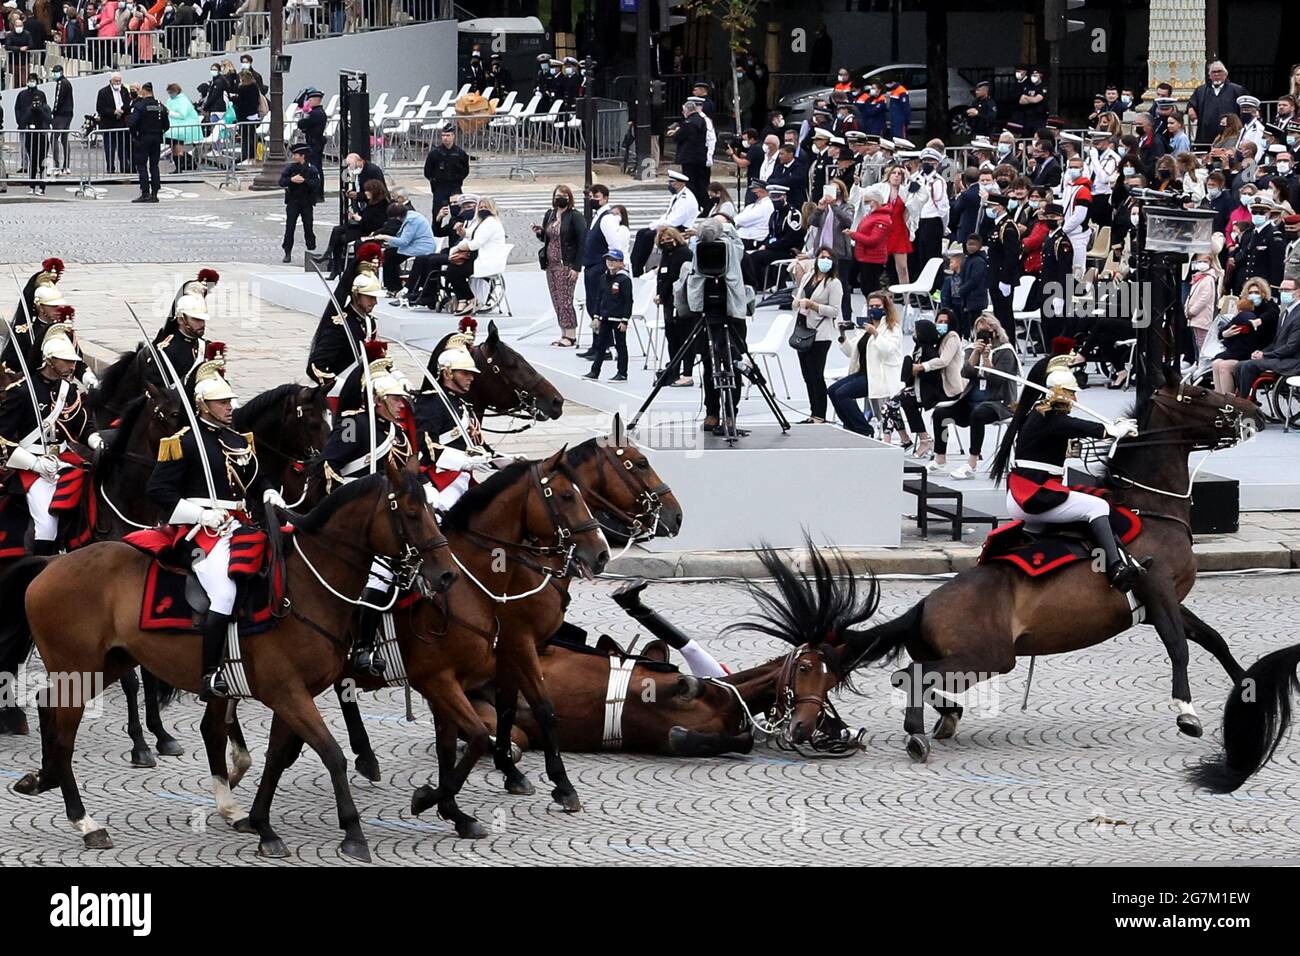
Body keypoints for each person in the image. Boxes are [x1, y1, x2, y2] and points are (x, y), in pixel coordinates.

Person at [147, 359, 276, 699]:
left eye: (231, 401)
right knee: (224, 592)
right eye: (222, 402)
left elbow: (256, 477)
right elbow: (157, 491)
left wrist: (269, 491)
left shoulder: (238, 438)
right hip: (200, 531)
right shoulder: (183, 442)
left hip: (240, 524)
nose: (230, 407)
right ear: (203, 405)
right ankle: (210, 673)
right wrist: (199, 514)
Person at [992, 354, 1146, 594]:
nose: (1075, 397)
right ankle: (1116, 569)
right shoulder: (1050, 419)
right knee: (1097, 508)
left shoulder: (1038, 415)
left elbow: (1062, 436)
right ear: (1059, 393)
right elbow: (1080, 426)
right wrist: (1114, 430)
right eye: (1071, 392)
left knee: (1092, 501)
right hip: (1035, 495)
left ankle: (1121, 559)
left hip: (1029, 489)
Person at [0, 325, 103, 557]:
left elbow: (82, 425)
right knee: (46, 524)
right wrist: (35, 464)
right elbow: (2, 438)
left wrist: (96, 440)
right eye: (65, 361)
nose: (72, 365)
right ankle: (42, 564)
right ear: (50, 360)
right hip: (32, 467)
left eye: (73, 361)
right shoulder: (22, 391)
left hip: (65, 461)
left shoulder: (69, 390)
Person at [947, 314, 1018, 480]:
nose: (984, 336)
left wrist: (986, 359)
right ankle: (939, 458)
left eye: (987, 331)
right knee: (941, 414)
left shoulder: (1006, 352)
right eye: (980, 332)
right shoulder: (973, 349)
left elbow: (997, 379)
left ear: (995, 331)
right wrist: (976, 354)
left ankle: (972, 461)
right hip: (972, 400)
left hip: (999, 403)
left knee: (979, 413)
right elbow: (965, 372)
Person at [829, 290, 902, 435]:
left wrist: (875, 334)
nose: (873, 309)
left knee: (843, 394)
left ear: (885, 307)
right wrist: (843, 336)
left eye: (877, 306)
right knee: (832, 391)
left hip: (879, 375)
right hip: (863, 372)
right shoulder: (864, 328)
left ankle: (864, 429)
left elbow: (889, 350)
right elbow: (852, 353)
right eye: (871, 306)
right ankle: (850, 426)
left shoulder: (892, 328)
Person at [789, 248, 842, 423]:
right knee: (806, 375)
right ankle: (813, 412)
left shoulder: (834, 283)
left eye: (828, 258)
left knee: (816, 375)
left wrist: (814, 306)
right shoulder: (807, 278)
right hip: (803, 330)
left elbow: (834, 311)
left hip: (820, 334)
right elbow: (798, 297)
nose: (824, 260)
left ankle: (820, 414)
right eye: (822, 257)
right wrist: (798, 303)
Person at [307, 270, 381, 390]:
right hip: (340, 390)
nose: (375, 302)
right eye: (370, 297)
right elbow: (316, 367)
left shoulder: (369, 322)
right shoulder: (339, 325)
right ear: (356, 295)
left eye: (375, 297)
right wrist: (342, 386)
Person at [534, 184, 587, 347]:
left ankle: (570, 334)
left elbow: (581, 241)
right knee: (556, 299)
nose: (560, 198)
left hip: (567, 264)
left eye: (563, 195)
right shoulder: (550, 214)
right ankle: (563, 332)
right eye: (557, 195)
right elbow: (547, 238)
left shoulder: (575, 216)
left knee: (565, 299)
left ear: (569, 198)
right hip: (551, 264)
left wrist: (577, 267)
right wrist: (540, 233)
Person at [1233, 278, 1300, 395]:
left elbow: (1291, 347)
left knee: (1248, 366)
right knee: (1239, 365)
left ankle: (1244, 405)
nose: (1284, 293)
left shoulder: (1298, 315)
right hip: (1281, 357)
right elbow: (1277, 342)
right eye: (1282, 290)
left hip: (1293, 361)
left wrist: (1265, 355)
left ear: (1298, 292)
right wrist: (1261, 352)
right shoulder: (1285, 313)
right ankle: (1247, 400)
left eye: (1287, 290)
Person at [630, 171, 701, 276]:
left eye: (672, 183)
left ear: (680, 184)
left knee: (648, 236)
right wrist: (654, 224)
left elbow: (675, 220)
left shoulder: (686, 199)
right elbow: (667, 215)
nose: (670, 185)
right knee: (641, 233)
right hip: (671, 226)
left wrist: (658, 227)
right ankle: (633, 265)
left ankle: (638, 268)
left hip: (679, 228)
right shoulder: (677, 196)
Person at [443, 197, 503, 312]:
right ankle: (464, 299)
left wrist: (457, 248)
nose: (483, 209)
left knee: (453, 271)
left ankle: (468, 298)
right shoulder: (481, 222)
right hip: (477, 257)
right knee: (452, 269)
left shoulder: (491, 223)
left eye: (485, 207)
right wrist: (461, 230)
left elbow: (475, 244)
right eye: (481, 207)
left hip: (486, 260)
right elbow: (468, 233)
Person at [653, 227, 695, 387]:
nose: (666, 242)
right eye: (662, 240)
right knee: (672, 337)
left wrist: (662, 294)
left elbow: (674, 277)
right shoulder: (666, 254)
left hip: (681, 302)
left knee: (685, 338)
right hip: (668, 302)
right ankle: (674, 368)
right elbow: (662, 276)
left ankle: (687, 373)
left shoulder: (684, 253)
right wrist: (660, 294)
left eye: (668, 239)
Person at [807, 180, 854, 320]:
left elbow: (847, 222)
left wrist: (834, 206)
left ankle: (846, 316)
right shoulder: (824, 209)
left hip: (839, 252)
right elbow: (812, 222)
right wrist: (820, 208)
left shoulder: (847, 207)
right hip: (822, 251)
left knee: (842, 285)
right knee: (820, 282)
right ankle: (821, 312)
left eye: (836, 190)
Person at [583, 249, 633, 382]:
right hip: (605, 317)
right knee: (601, 345)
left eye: (613, 260)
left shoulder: (624, 279)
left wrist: (625, 320)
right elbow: (600, 298)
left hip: (618, 319)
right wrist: (596, 316)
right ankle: (595, 371)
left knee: (620, 345)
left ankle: (622, 372)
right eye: (608, 260)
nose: (610, 263)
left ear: (621, 263)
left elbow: (628, 300)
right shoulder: (604, 278)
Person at [324, 178, 389, 279]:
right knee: (337, 230)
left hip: (368, 230)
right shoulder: (371, 202)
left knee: (341, 239)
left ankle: (336, 265)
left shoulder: (382, 205)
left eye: (368, 191)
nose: (366, 193)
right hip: (362, 226)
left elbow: (374, 224)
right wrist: (356, 217)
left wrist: (360, 219)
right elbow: (366, 216)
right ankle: (329, 255)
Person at [141, 293, 209, 388]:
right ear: (181, 320)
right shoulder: (167, 351)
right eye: (196, 319)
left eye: (203, 319)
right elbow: (156, 388)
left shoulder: (207, 346)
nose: (202, 324)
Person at [847, 182, 893, 303]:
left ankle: (882, 311)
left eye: (867, 202)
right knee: (866, 287)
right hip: (863, 256)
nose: (865, 205)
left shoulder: (883, 219)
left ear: (875, 201)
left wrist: (853, 235)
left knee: (871, 288)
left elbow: (874, 240)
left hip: (873, 258)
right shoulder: (870, 216)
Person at [985, 192, 1021, 342]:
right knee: (999, 314)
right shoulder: (998, 225)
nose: (988, 209)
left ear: (999, 207)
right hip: (995, 276)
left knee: (1005, 316)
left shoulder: (1008, 228)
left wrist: (1006, 280)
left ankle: (1009, 344)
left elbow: (1011, 256)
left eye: (990, 206)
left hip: (1002, 278)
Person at [126, 81, 169, 203]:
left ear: (144, 91)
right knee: (154, 166)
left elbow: (132, 122)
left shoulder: (140, 105)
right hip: (157, 138)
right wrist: (159, 131)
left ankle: (145, 192)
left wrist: (134, 135)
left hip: (143, 138)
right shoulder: (160, 105)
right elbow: (167, 125)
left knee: (141, 165)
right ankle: (154, 193)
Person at [1187, 62, 1246, 147]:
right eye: (1214, 72)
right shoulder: (1201, 90)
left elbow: (1246, 107)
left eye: (1219, 71)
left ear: (1225, 74)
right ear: (1210, 75)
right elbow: (1192, 103)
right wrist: (1191, 108)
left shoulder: (1237, 89)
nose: (1217, 74)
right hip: (1206, 133)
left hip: (1230, 133)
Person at [278, 143, 320, 262]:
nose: (293, 157)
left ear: (302, 156)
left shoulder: (312, 169)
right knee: (290, 227)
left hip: (306, 202)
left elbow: (316, 185)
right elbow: (281, 181)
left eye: (296, 154)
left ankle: (311, 249)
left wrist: (304, 181)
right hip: (293, 201)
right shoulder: (290, 168)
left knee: (308, 226)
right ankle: (287, 251)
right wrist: (291, 180)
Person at [423, 123, 469, 221]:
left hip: (455, 187)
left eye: (448, 135)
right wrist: (434, 181)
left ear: (453, 136)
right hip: (440, 187)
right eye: (443, 135)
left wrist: (457, 181)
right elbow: (427, 171)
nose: (445, 138)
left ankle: (456, 234)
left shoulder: (460, 153)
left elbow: (465, 170)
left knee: (458, 214)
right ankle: (436, 234)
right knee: (437, 215)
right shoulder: (435, 153)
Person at [669, 100, 710, 208]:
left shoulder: (689, 123)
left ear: (687, 111)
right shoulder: (701, 120)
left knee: (691, 182)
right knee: (700, 182)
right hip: (700, 156)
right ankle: (704, 204)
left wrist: (676, 132)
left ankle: (696, 205)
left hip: (689, 157)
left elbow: (679, 137)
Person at [96, 72, 133, 174]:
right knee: (110, 148)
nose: (118, 83)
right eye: (116, 81)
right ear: (111, 81)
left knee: (123, 148)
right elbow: (100, 108)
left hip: (121, 124)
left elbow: (127, 104)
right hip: (109, 125)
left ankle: (124, 168)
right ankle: (110, 168)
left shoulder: (124, 91)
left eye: (119, 81)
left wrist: (122, 111)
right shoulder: (103, 92)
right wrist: (113, 112)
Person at [163, 82, 204, 172]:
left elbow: (182, 115)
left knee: (178, 148)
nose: (170, 95)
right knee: (173, 148)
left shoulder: (183, 101)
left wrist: (169, 112)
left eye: (171, 92)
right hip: (173, 129)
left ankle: (179, 168)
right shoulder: (170, 100)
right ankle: (178, 167)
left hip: (181, 129)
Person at [295, 87, 327, 201]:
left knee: (316, 168)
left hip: (315, 144)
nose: (309, 102)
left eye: (310, 100)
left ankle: (317, 193)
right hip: (315, 142)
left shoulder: (316, 114)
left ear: (316, 100)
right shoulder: (318, 113)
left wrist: (304, 118)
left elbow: (302, 124)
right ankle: (316, 193)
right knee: (315, 168)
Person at [49, 63, 74, 175]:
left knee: (54, 138)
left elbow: (58, 99)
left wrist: (54, 111)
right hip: (68, 114)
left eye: (56, 72)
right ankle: (66, 166)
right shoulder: (67, 82)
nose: (54, 74)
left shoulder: (61, 83)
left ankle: (57, 165)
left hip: (61, 114)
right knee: (64, 139)